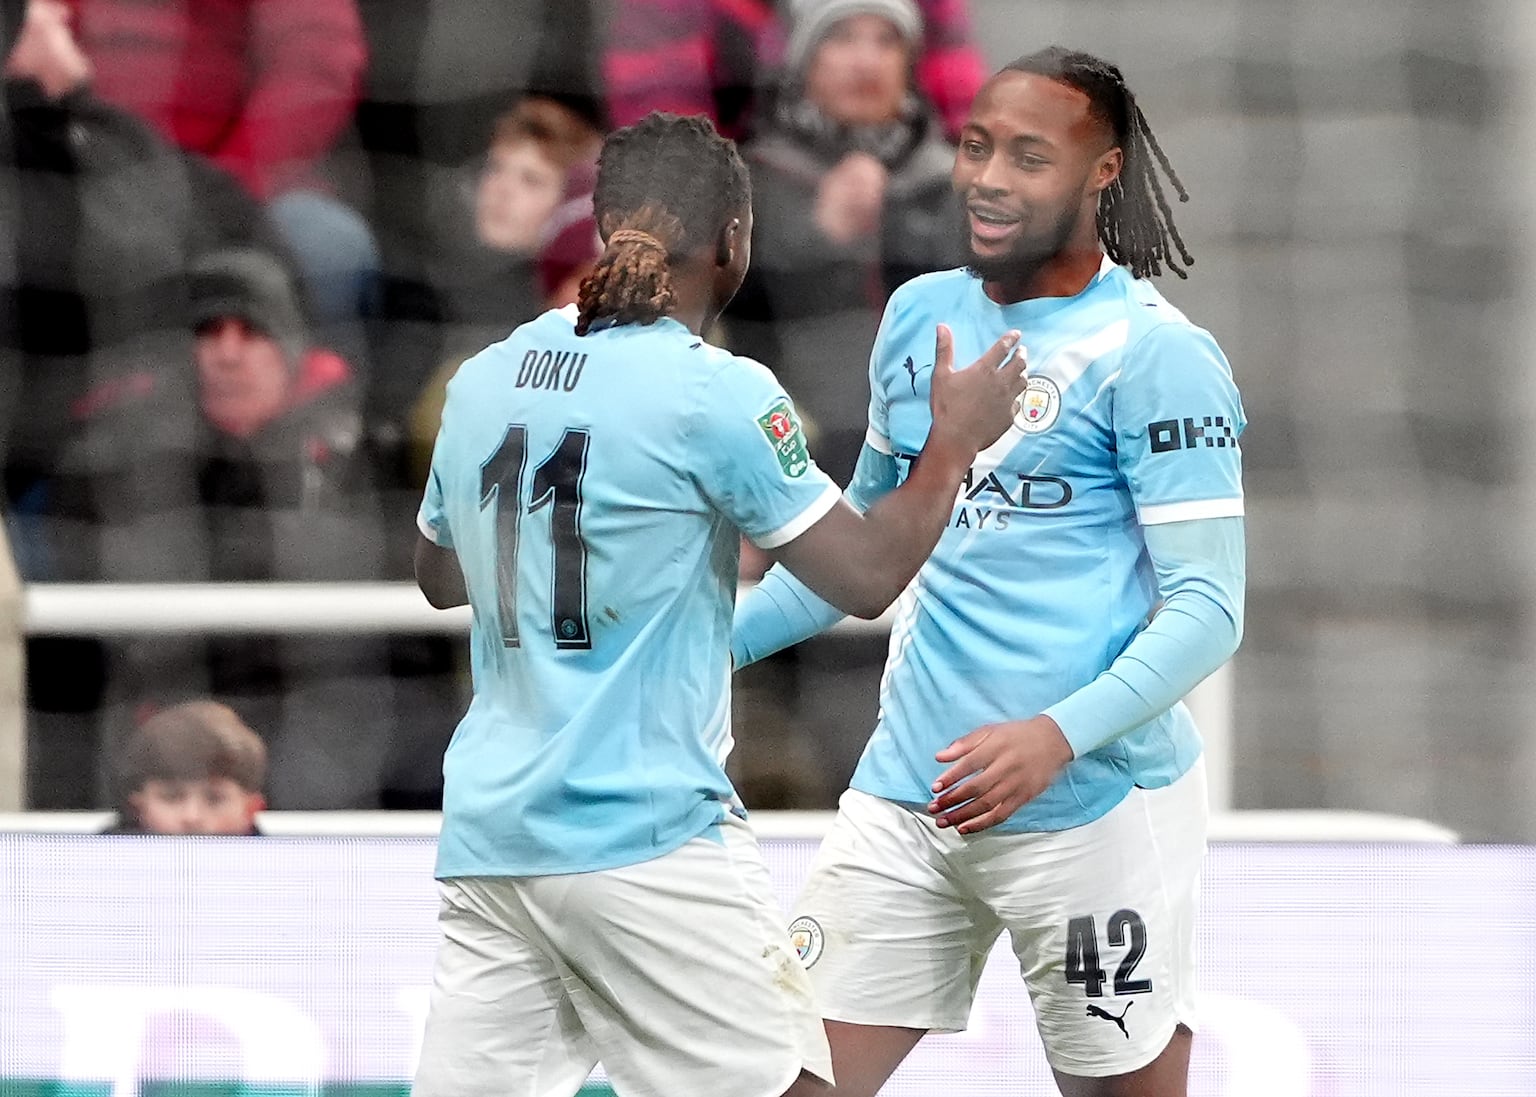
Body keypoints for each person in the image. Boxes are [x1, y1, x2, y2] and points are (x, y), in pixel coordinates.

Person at [409, 111, 1027, 1097]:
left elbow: (440, 578)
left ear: (604, 222)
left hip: (491, 838)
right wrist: (953, 442)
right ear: (735, 241)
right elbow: (866, 578)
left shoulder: (482, 379)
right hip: (642, 834)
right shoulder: (714, 393)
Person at [732, 47, 1246, 1097]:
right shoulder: (920, 314)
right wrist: (695, 642)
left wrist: (1055, 735)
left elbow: (1209, 606)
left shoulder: (1156, 354)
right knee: (779, 1081)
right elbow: (865, 538)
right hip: (910, 793)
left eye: (1029, 155)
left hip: (1093, 804)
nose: (991, 178)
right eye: (976, 147)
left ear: (1103, 172)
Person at [730, 0, 965, 485]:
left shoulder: (956, 180)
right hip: (791, 466)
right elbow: (726, 324)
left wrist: (899, 225)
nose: (867, 61)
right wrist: (818, 237)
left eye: (886, 41)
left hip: (944, 461)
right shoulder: (752, 179)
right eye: (842, 38)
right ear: (802, 59)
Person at [103, 700, 267, 835]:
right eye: (171, 797)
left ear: (251, 809)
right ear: (138, 807)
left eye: (214, 799)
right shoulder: (95, 865)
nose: (192, 817)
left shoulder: (281, 869)